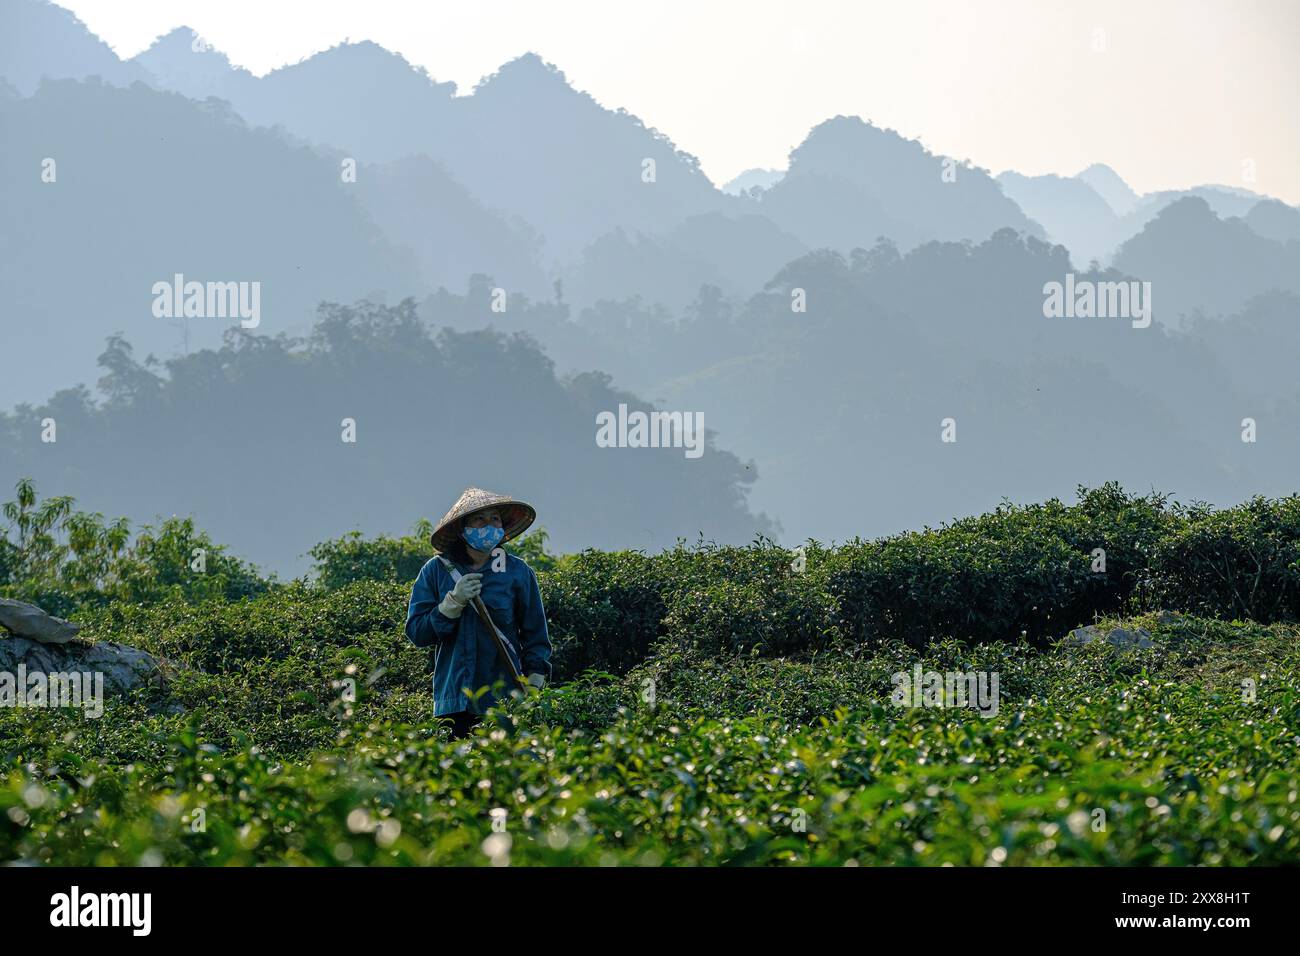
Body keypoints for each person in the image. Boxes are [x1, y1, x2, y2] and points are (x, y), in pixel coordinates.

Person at [405, 487, 552, 738]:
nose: (489, 524)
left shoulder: (518, 573)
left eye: (495, 518)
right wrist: (452, 603)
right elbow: (417, 632)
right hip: (453, 702)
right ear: (462, 530)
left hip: (504, 701)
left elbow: (536, 637)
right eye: (479, 519)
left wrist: (535, 685)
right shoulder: (436, 571)